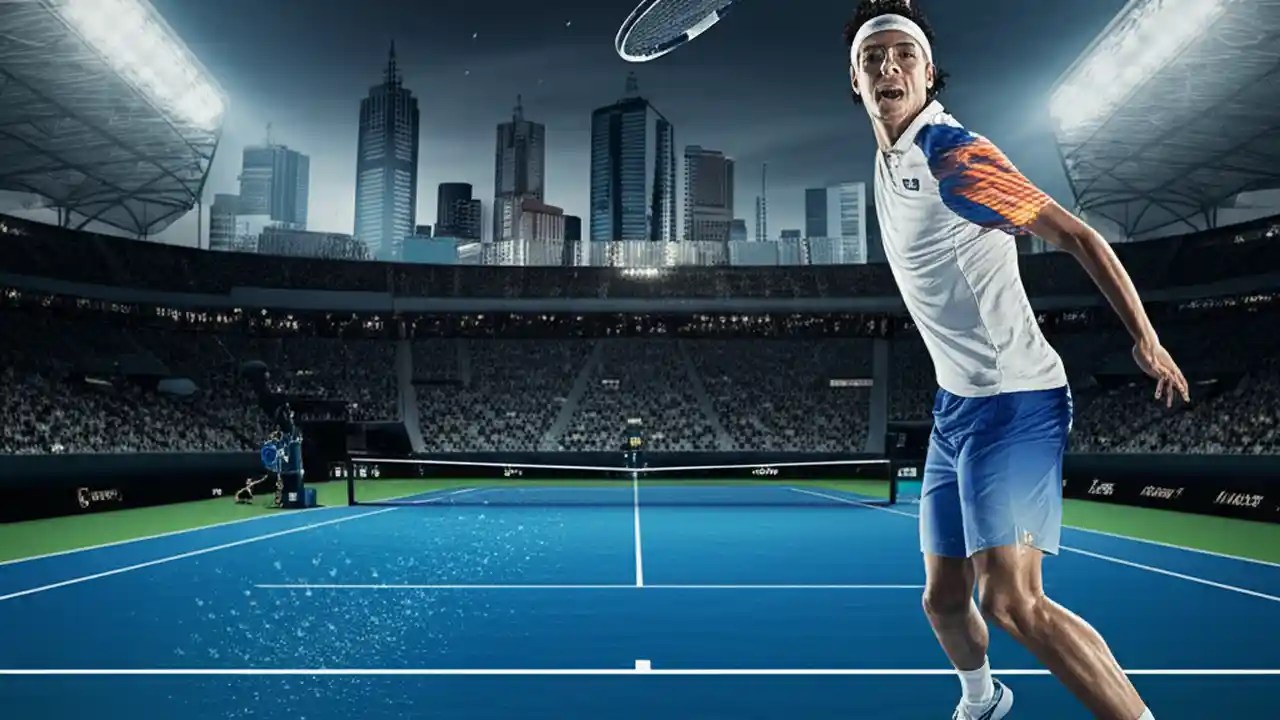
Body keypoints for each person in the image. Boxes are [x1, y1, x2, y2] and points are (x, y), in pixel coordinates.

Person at [842, 2, 1190, 719]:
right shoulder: (886, 153)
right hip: (955, 408)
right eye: (872, 58)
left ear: (930, 73)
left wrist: (1146, 338)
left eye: (904, 54)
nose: (889, 66)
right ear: (854, 82)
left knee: (1012, 602)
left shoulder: (955, 156)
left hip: (1015, 399)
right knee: (942, 600)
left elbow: (1080, 238)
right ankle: (984, 701)